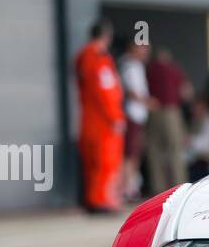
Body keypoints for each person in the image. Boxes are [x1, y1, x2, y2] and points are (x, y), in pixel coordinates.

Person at [73, 19, 124, 212]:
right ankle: (101, 200)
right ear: (106, 36)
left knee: (92, 164)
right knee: (105, 162)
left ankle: (93, 198)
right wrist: (116, 117)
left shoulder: (82, 56)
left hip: (88, 119)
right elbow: (106, 91)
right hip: (104, 122)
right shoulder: (99, 58)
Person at [144, 47, 192, 193]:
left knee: (154, 150)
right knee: (175, 149)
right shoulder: (174, 69)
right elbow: (187, 92)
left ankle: (158, 187)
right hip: (172, 111)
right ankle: (178, 186)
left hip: (154, 111)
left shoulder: (149, 70)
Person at [117, 39, 154, 201]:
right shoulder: (130, 65)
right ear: (133, 48)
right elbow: (132, 92)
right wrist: (148, 102)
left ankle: (131, 187)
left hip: (138, 115)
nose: (146, 52)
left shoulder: (136, 65)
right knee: (130, 155)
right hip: (131, 115)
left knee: (135, 154)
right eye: (143, 48)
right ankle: (126, 189)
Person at [186, 97, 209, 182]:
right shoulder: (194, 121)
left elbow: (208, 143)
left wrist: (190, 141)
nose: (195, 111)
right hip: (194, 160)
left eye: (198, 108)